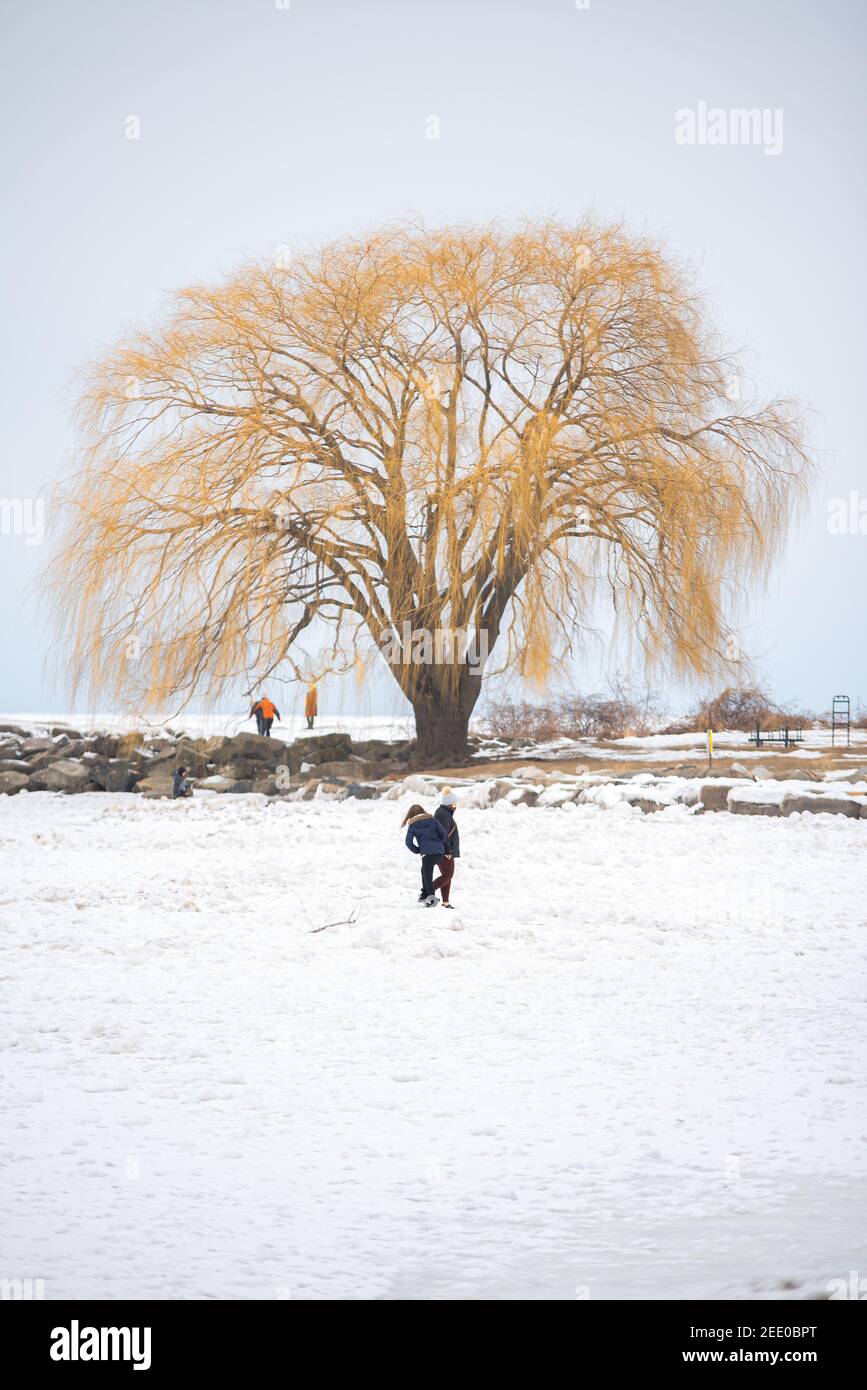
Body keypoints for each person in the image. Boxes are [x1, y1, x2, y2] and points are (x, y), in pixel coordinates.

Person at [402, 803, 448, 906]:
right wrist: (439, 844)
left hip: (427, 853)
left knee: (427, 875)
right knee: (424, 871)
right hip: (439, 853)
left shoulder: (413, 825)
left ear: (411, 814)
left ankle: (431, 900)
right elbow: (444, 833)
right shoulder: (432, 820)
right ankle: (424, 895)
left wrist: (418, 850)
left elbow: (408, 842)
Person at [432, 789, 460, 909]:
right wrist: (448, 851)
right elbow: (443, 834)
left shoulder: (444, 813)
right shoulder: (443, 814)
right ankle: (427, 892)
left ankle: (445, 902)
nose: (456, 805)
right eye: (455, 803)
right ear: (450, 804)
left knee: (447, 875)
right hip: (444, 851)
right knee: (448, 875)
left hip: (444, 850)